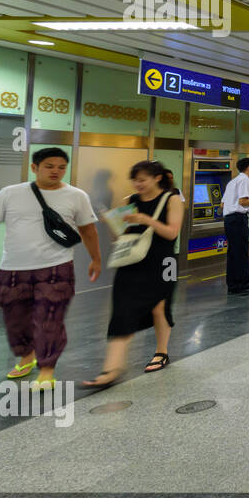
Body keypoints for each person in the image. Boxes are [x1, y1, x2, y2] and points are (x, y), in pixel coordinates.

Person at [0, 147, 101, 390]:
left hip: (56, 267)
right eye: (49, 166)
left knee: (49, 318)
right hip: (12, 269)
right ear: (34, 167)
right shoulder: (10, 193)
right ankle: (26, 358)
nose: (56, 171)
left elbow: (88, 230)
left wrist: (96, 258)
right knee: (15, 319)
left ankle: (47, 370)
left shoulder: (76, 195)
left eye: (61, 167)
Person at [83, 160, 184, 387]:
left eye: (142, 180)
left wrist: (145, 219)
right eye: (135, 180)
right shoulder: (130, 201)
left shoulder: (172, 199)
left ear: (157, 178)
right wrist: (111, 222)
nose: (138, 184)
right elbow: (119, 239)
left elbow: (171, 233)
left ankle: (161, 352)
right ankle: (111, 369)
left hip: (163, 261)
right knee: (122, 310)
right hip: (132, 261)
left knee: (160, 307)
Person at [222, 157, 249, 295]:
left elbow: (223, 204)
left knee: (233, 253)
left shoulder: (232, 182)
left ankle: (233, 285)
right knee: (241, 252)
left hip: (229, 220)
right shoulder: (245, 180)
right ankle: (243, 285)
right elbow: (242, 201)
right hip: (238, 220)